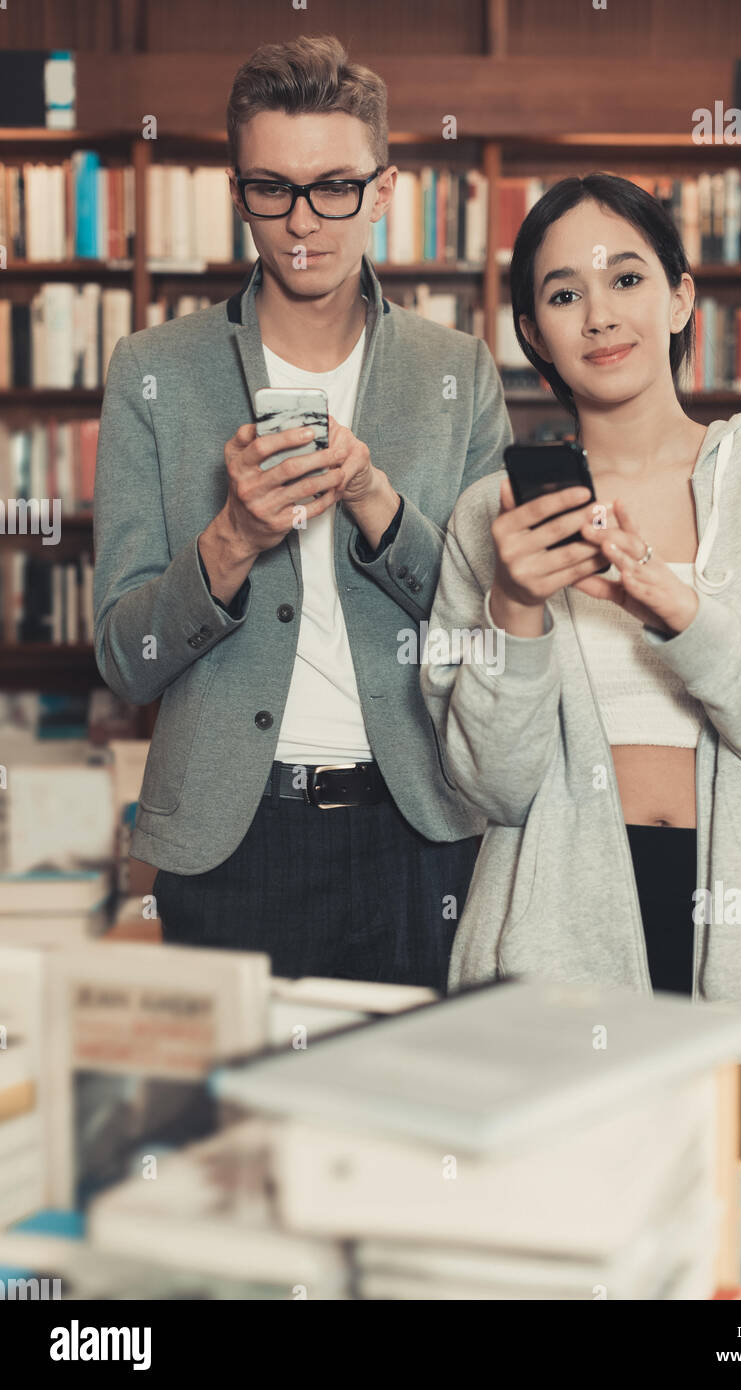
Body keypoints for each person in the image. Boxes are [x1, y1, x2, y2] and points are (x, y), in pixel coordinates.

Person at [420, 172, 741, 1298]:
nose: (601, 314)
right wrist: (516, 613)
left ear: (681, 298)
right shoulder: (490, 519)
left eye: (626, 278)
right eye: (563, 293)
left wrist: (684, 613)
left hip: (739, 950)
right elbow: (483, 785)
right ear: (530, 329)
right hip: (547, 946)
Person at [93, 35, 512, 989]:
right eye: (271, 188)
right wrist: (231, 541)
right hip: (231, 843)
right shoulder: (153, 371)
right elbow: (126, 661)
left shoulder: (457, 372)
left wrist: (373, 503)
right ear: (235, 191)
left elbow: (493, 626)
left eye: (333, 187)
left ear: (383, 189)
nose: (301, 222)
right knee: (243, 1137)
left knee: (416, 1128)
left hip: (425, 833)